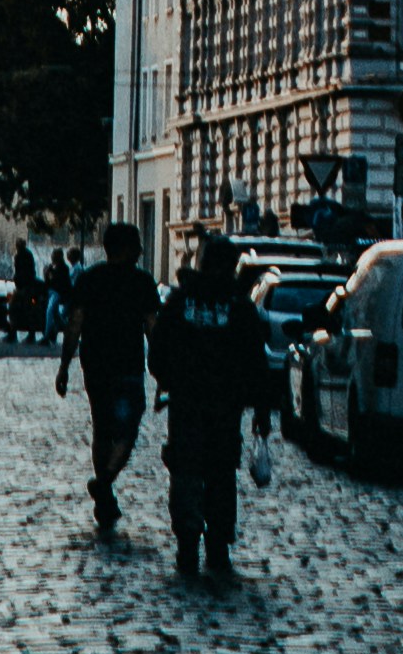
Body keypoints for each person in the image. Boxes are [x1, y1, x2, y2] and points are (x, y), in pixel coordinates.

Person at [150, 228, 279, 583]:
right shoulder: (239, 307)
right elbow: (257, 362)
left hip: (187, 404)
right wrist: (262, 411)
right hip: (225, 407)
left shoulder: (180, 301)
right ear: (233, 266)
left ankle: (188, 544)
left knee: (186, 471)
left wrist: (171, 381)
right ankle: (218, 545)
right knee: (221, 474)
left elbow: (157, 350)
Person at [60, 216, 152, 531]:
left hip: (94, 365)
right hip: (127, 365)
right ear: (125, 248)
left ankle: (105, 492)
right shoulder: (142, 282)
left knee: (102, 429)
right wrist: (163, 365)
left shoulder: (89, 279)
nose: (141, 250)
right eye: (137, 245)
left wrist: (64, 366)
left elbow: (75, 323)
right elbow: (153, 327)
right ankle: (105, 483)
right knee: (127, 429)